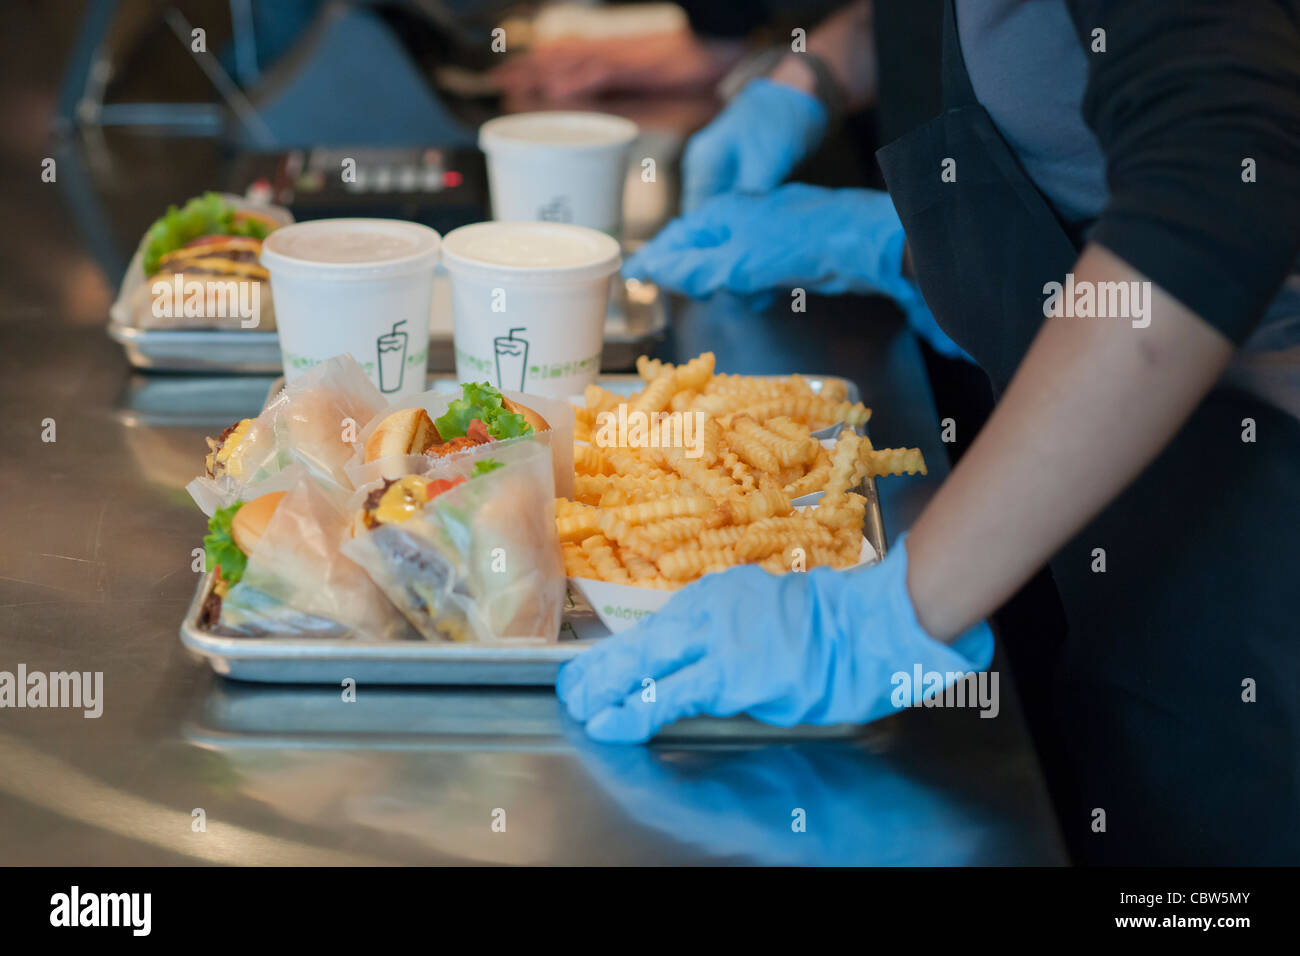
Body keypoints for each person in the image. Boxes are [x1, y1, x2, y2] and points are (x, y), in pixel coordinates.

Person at [556, 0, 1300, 865]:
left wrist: (884, 617)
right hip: (1119, 487)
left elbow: (1215, 184)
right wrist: (827, 85)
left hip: (1257, 506)